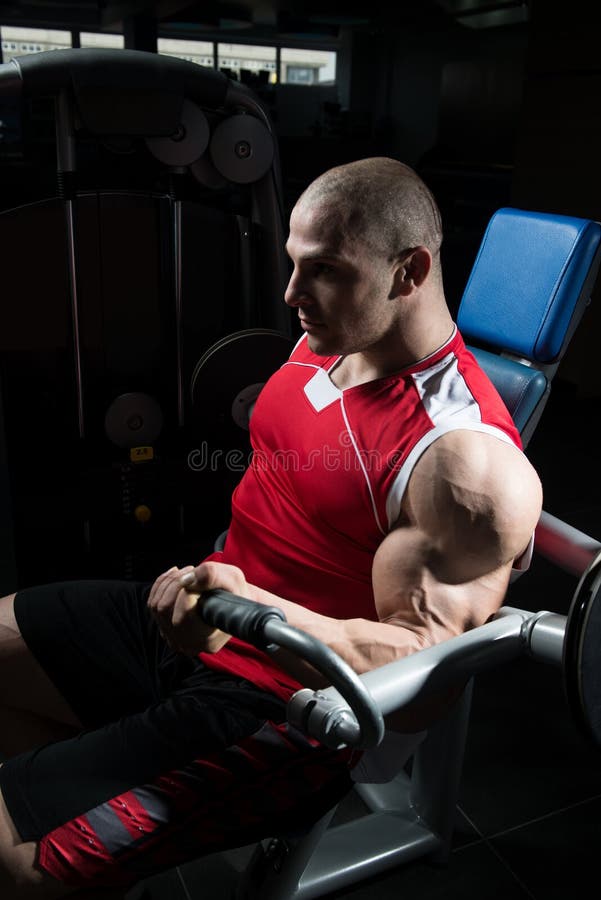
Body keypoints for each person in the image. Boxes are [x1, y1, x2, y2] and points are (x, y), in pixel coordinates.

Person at [0, 157, 543, 898]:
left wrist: (252, 617)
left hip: (284, 704)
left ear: (408, 271)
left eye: (323, 270)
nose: (291, 295)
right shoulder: (334, 338)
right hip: (202, 620)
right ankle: (91, 837)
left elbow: (419, 672)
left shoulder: (464, 467)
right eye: (293, 265)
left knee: (11, 859)